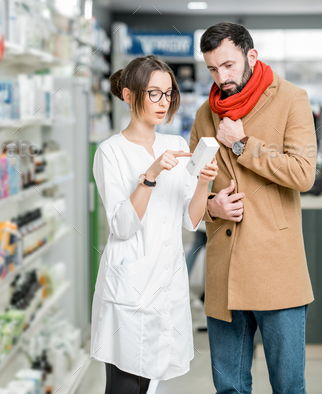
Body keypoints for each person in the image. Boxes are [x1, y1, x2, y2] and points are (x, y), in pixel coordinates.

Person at [190, 22, 317, 393]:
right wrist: (212, 206)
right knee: (229, 388)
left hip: (276, 268)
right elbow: (192, 187)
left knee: (288, 386)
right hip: (224, 270)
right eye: (213, 69)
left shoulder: (292, 99)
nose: (221, 77)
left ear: (251, 56)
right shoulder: (204, 114)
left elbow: (303, 173)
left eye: (228, 65)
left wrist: (244, 144)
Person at [90, 55, 219, 394]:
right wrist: (149, 176)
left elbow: (190, 221)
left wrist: (204, 182)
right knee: (124, 386)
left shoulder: (175, 146)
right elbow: (122, 226)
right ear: (130, 95)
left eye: (168, 93)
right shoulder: (110, 152)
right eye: (153, 94)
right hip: (129, 288)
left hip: (166, 284)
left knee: (150, 384)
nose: (164, 103)